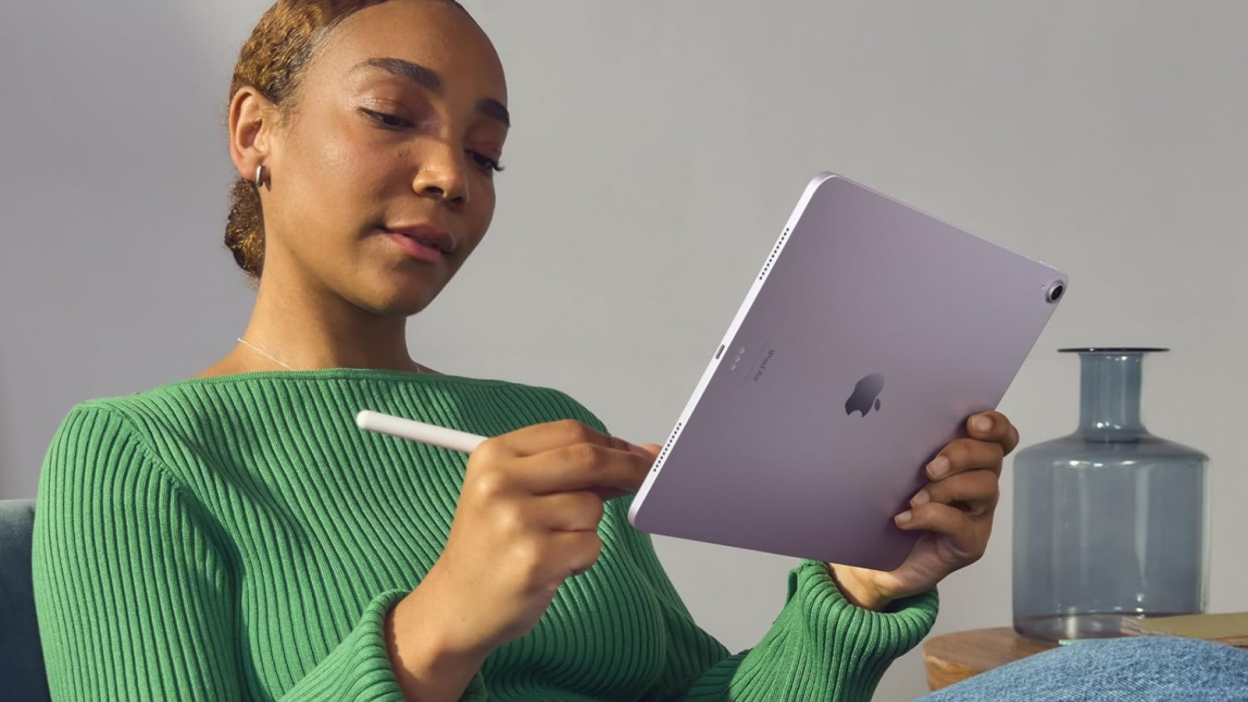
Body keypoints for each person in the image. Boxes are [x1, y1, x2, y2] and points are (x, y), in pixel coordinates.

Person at [29, 2, 1019, 700]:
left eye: (485, 151)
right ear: (256, 132)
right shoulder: (139, 454)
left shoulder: (535, 424)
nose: (449, 175)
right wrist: (434, 632)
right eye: (391, 115)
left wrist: (856, 591)